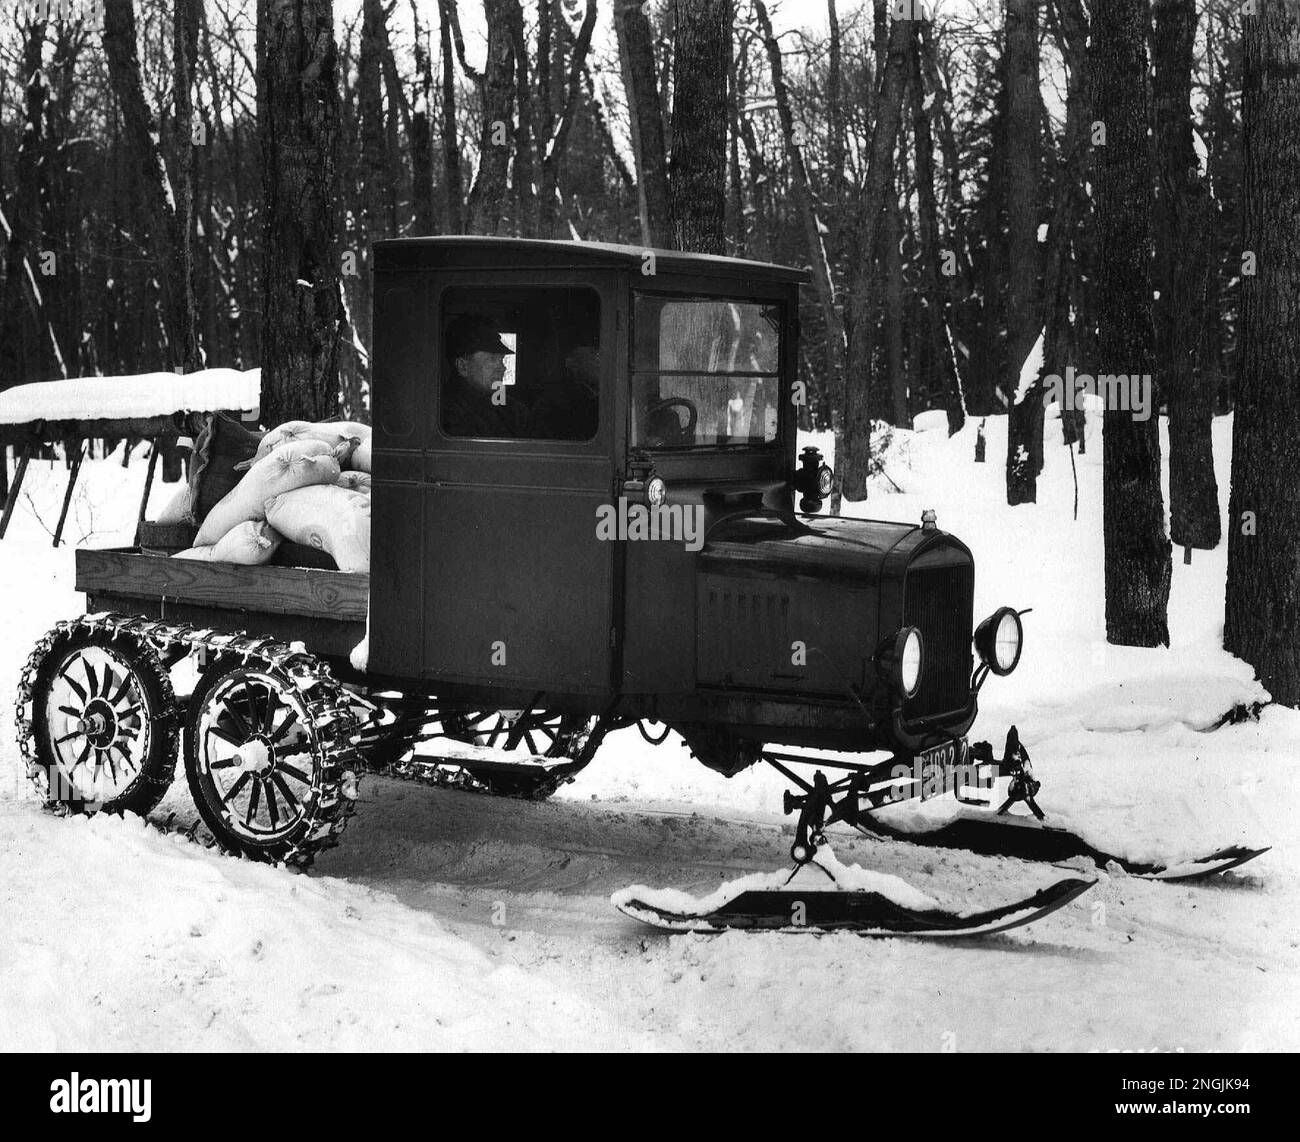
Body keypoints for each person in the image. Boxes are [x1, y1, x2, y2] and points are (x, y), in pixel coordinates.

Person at [441, 316, 533, 438]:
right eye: (492, 359)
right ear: (463, 366)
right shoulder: (446, 413)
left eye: (502, 359)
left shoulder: (509, 407)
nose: (503, 368)